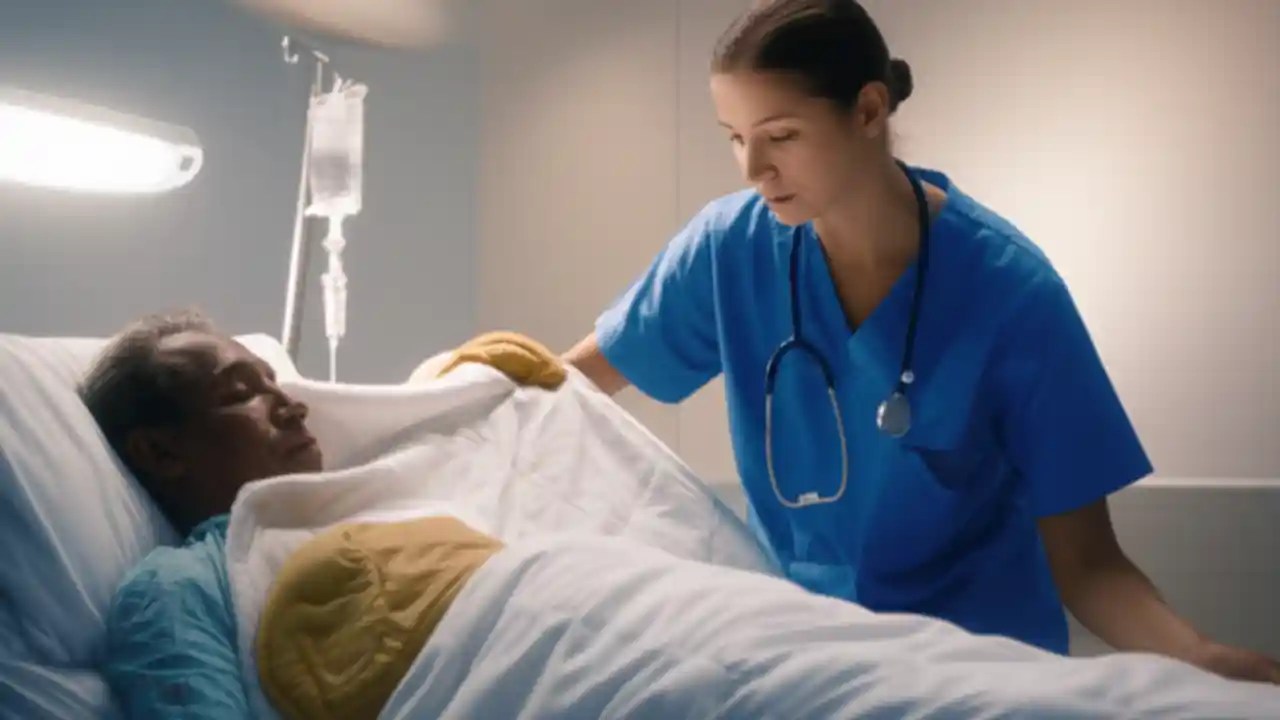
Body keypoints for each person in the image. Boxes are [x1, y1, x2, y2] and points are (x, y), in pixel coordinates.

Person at [564, 0, 1279, 685]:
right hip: (799, 668)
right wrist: (476, 383)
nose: (753, 171)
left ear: (869, 110)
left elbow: (1089, 565)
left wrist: (1197, 656)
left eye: (780, 136)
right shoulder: (728, 251)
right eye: (734, 137)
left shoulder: (1009, 293)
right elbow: (565, 386)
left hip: (972, 677)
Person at [80, 310, 562, 717]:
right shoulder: (180, 586)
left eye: (273, 381)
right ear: (161, 452)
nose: (292, 406)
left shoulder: (382, 497)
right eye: (241, 393)